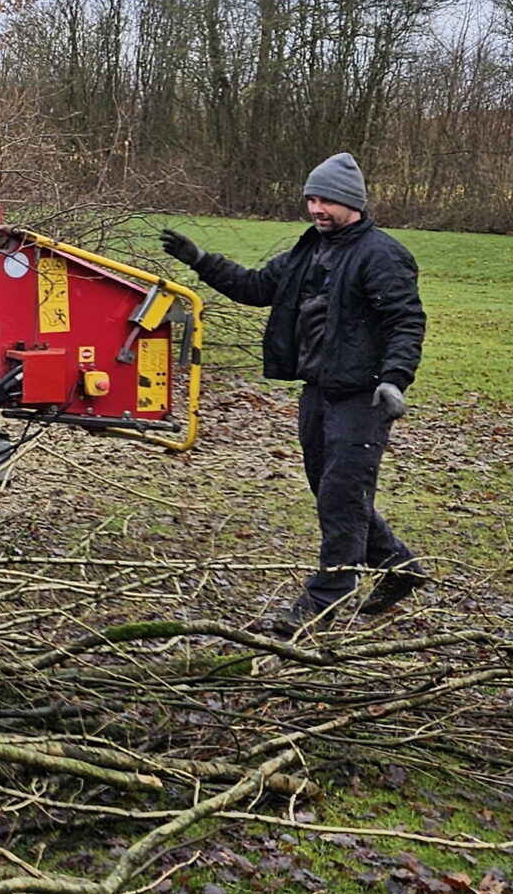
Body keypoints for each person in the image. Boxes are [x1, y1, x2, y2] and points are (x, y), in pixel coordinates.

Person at [161, 153, 429, 632]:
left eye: (326, 200)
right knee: (332, 492)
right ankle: (398, 566)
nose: (316, 208)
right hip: (318, 392)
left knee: (341, 497)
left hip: (364, 397)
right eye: (311, 199)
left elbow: (405, 321)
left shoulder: (381, 255)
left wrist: (394, 379)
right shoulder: (309, 251)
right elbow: (255, 287)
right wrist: (200, 261)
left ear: (352, 202)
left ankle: (322, 603)